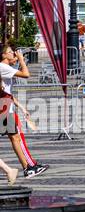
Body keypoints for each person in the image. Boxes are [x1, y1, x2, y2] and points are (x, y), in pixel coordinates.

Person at [0, 44, 46, 178]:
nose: (13, 54)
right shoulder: (3, 67)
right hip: (4, 106)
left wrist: (21, 107)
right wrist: (21, 59)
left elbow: (5, 92)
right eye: (10, 52)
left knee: (15, 137)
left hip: (5, 103)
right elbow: (26, 74)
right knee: (15, 137)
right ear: (3, 55)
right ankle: (27, 167)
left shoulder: (5, 68)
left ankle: (27, 167)